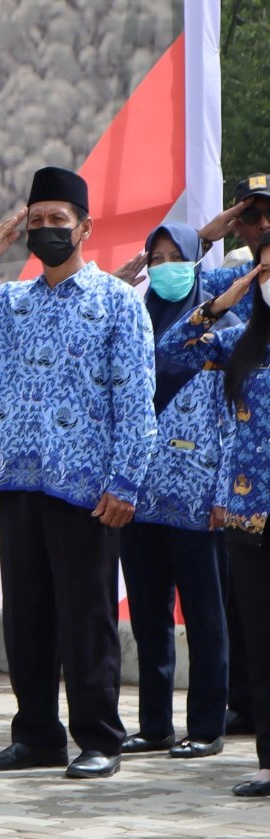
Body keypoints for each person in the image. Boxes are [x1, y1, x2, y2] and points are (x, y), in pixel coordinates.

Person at [0, 167, 157, 780]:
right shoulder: (11, 300)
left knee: (86, 618)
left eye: (59, 219)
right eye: (37, 221)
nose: (47, 229)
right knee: (27, 619)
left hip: (86, 489)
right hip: (19, 483)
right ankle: (36, 735)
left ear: (85, 227)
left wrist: (126, 482)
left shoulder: (116, 302)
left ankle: (100, 738)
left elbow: (137, 402)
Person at [109, 222, 236, 761]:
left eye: (174, 256)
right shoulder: (133, 320)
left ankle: (206, 727)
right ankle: (154, 725)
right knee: (148, 615)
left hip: (197, 497)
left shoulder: (224, 327)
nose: (164, 267)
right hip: (138, 495)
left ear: (195, 261)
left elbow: (236, 419)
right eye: (155, 258)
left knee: (205, 616)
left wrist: (225, 493)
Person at [158, 232, 270, 796]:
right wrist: (220, 304)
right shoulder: (241, 342)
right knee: (262, 639)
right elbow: (174, 348)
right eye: (266, 270)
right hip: (250, 514)